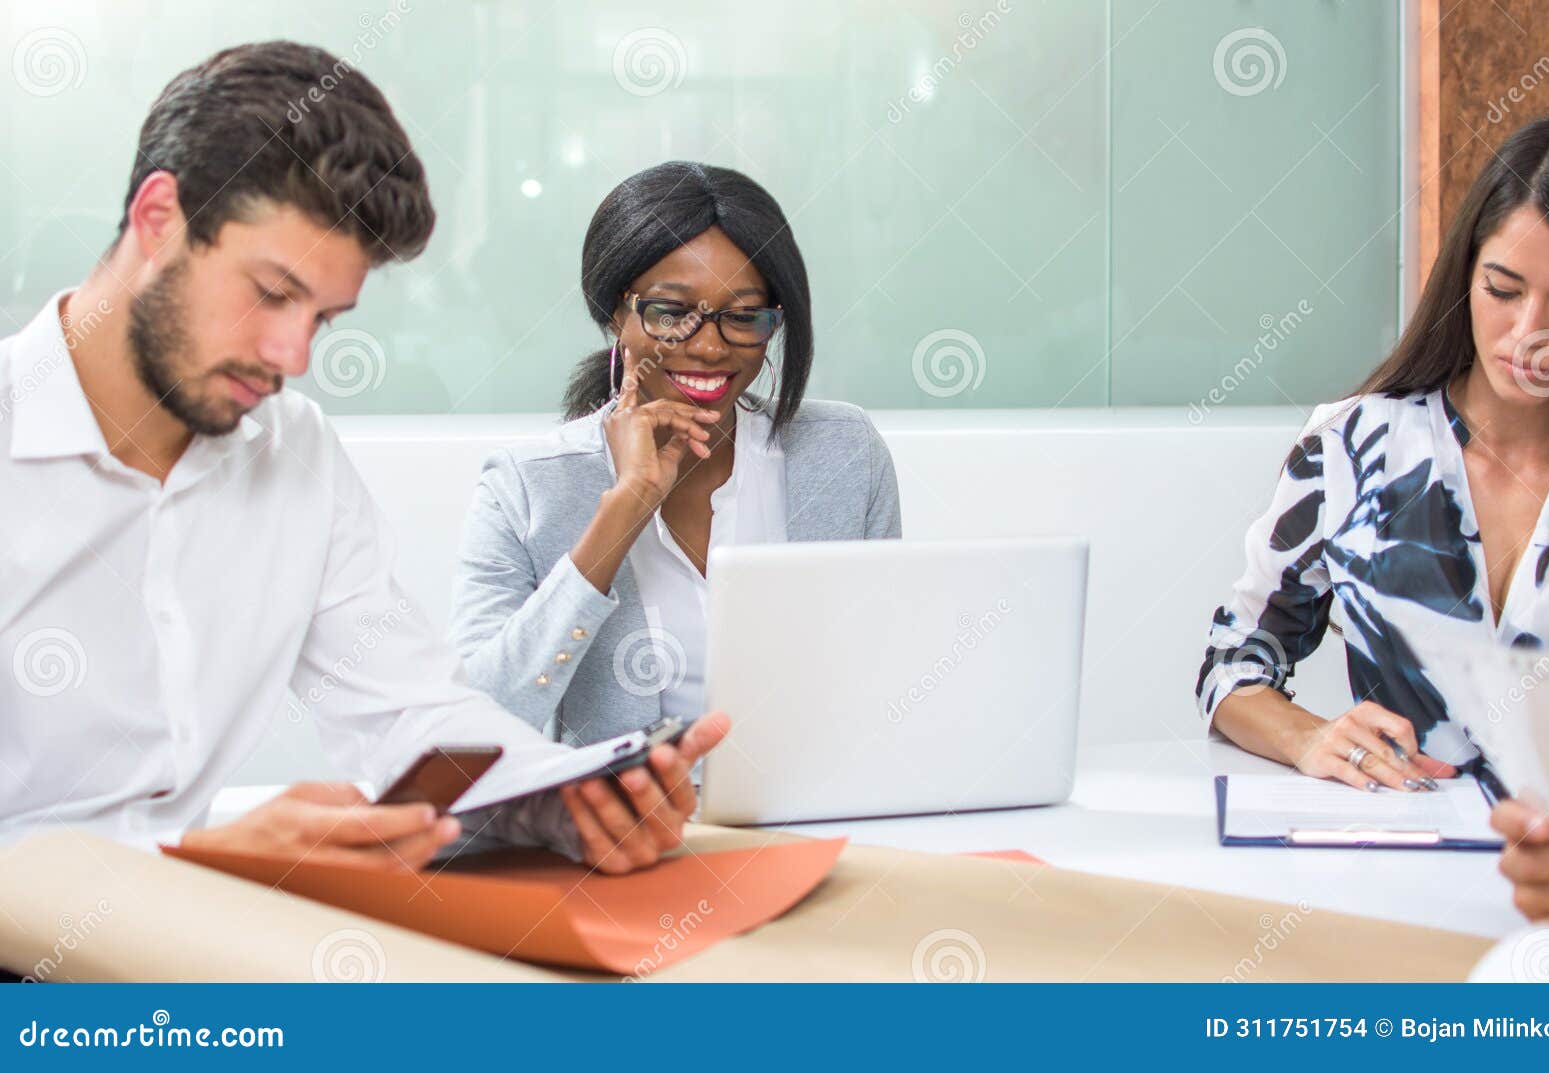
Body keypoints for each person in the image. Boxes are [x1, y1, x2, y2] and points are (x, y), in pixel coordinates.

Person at [0, 41, 730, 879]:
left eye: (322, 319)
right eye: (272, 293)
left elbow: (410, 712)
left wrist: (561, 802)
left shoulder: (294, 449)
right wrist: (181, 861)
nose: (292, 355)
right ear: (159, 219)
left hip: (176, 962)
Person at [1197, 114, 1549, 794]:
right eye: (1502, 290)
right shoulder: (1352, 448)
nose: (1529, 332)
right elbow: (1231, 663)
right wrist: (1310, 736)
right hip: (1400, 849)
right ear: (1465, 275)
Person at [450, 162, 900, 745]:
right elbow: (475, 729)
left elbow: (885, 673)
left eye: (744, 317)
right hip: (628, 831)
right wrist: (624, 509)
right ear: (617, 312)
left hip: (811, 819)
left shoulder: (844, 454)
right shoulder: (526, 486)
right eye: (671, 314)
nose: (710, 345)